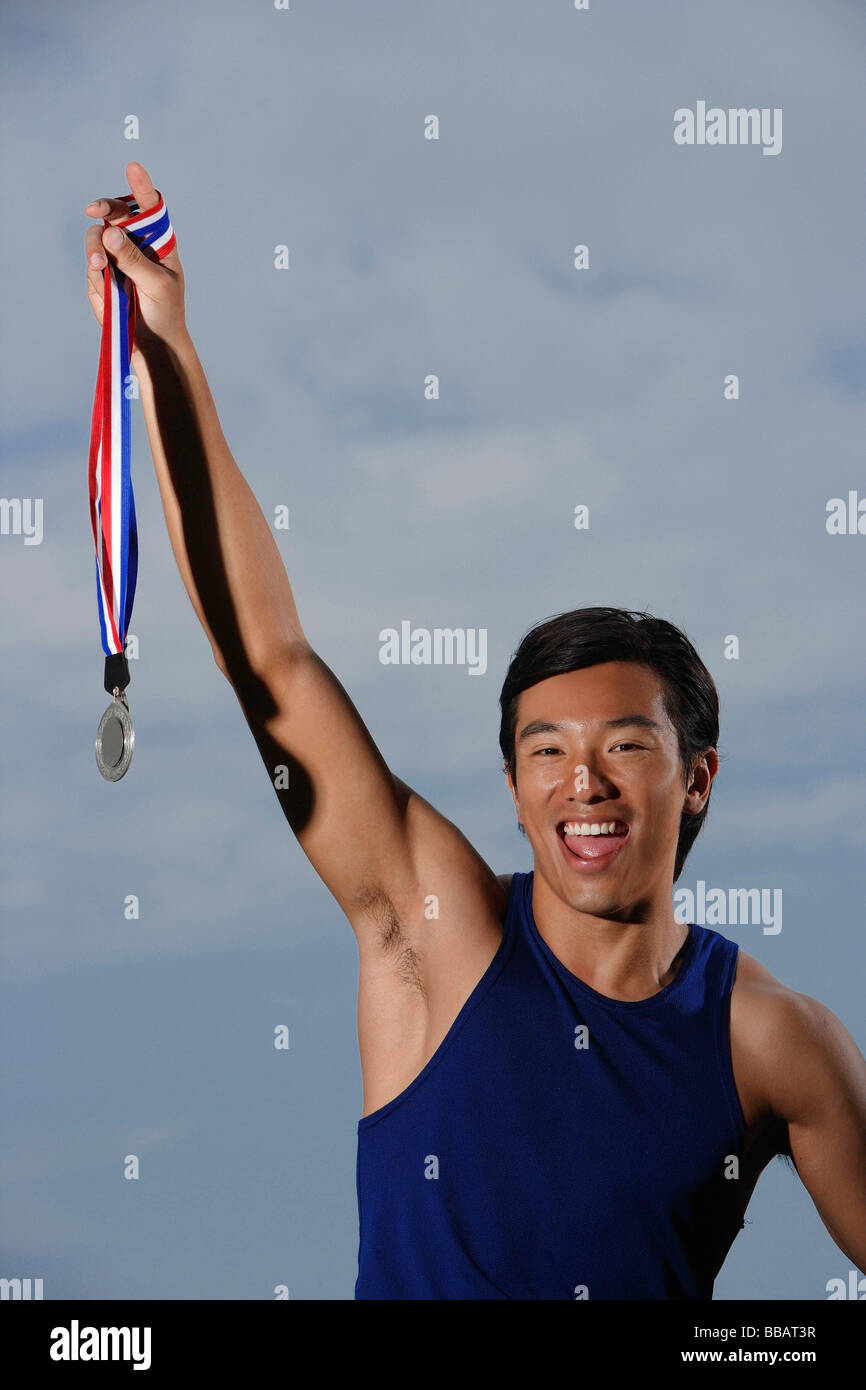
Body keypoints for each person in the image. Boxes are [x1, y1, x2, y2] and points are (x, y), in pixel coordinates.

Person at [84, 164, 866, 1300]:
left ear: (696, 777)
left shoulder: (774, 1040)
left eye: (624, 746)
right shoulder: (430, 929)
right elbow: (269, 660)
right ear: (509, 783)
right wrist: (165, 346)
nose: (581, 783)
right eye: (544, 750)